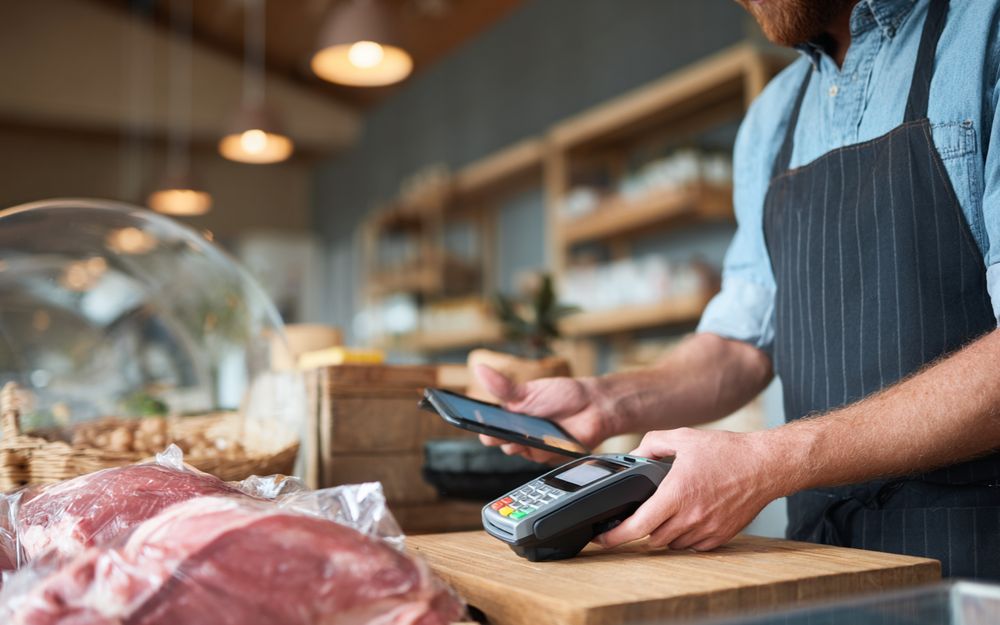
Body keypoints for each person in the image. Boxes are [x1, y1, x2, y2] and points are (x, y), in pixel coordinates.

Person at [476, 0, 1000, 579]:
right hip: (824, 563)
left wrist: (769, 460)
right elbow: (739, 344)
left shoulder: (985, 35)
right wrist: (606, 401)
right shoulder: (771, 119)